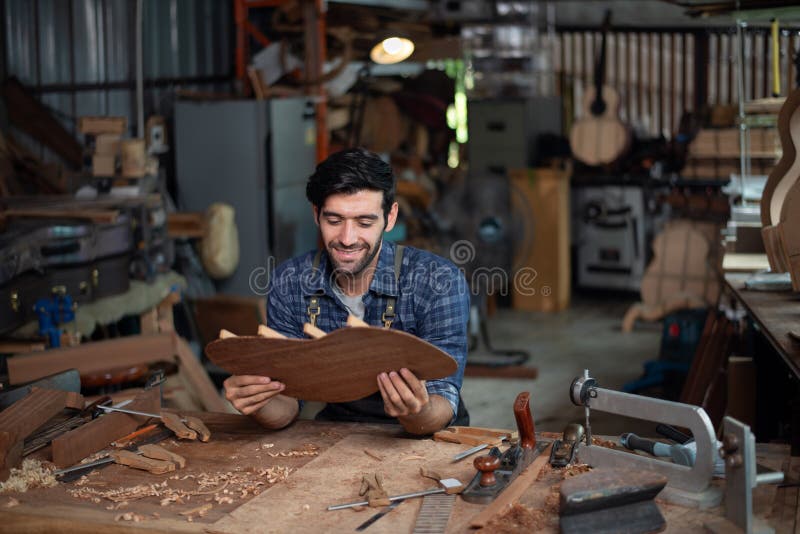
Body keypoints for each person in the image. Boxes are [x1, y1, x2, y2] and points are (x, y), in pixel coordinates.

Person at [223, 148, 469, 435]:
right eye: (334, 220)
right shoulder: (290, 282)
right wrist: (257, 402)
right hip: (340, 431)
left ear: (390, 217)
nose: (347, 239)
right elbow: (287, 406)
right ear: (316, 215)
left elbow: (444, 398)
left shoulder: (439, 281)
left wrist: (417, 411)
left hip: (428, 432)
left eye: (364, 223)